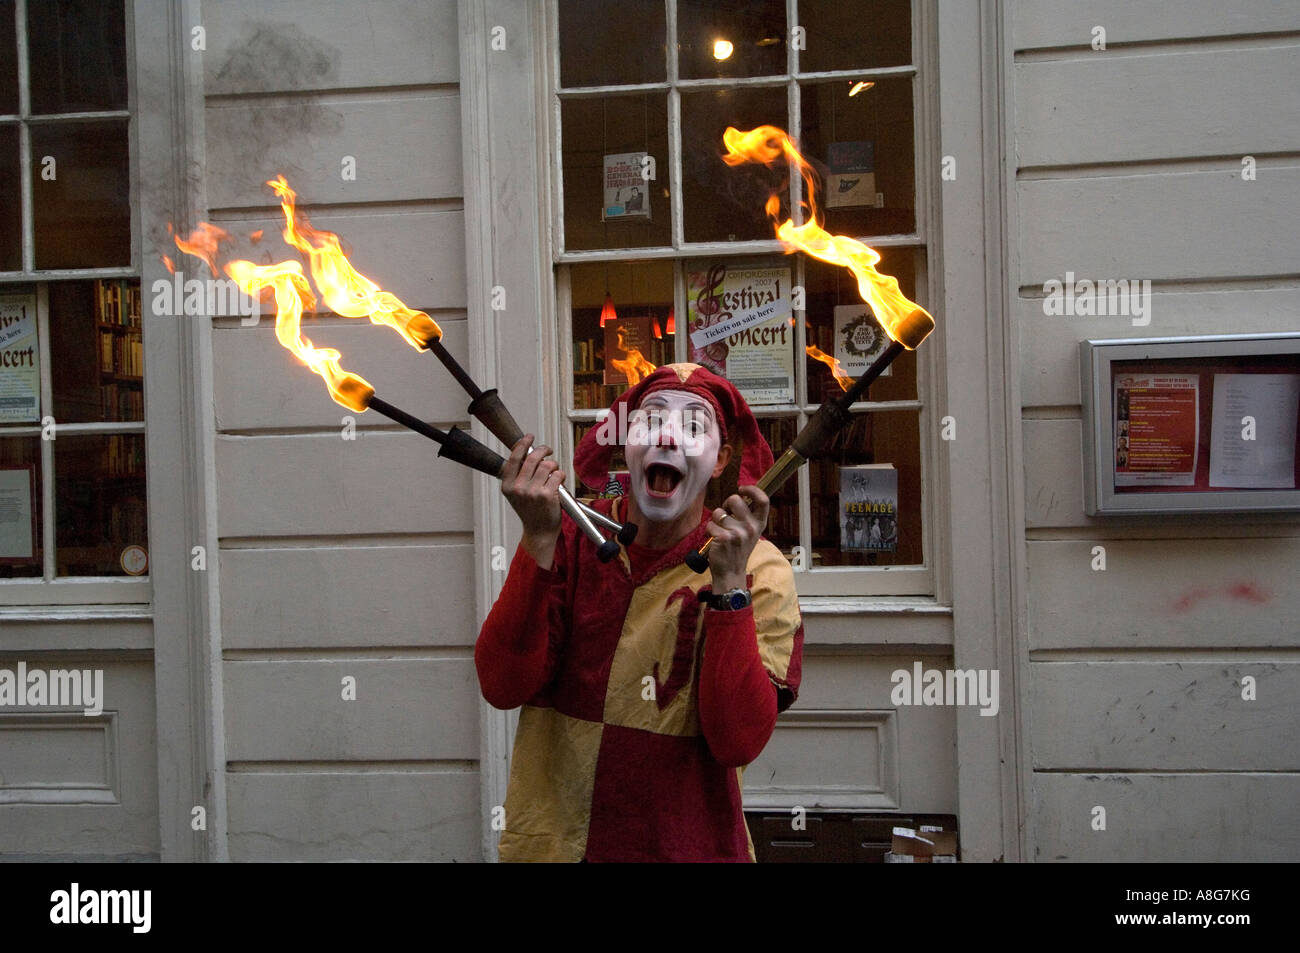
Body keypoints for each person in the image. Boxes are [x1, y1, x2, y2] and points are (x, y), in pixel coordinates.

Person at [475, 363, 804, 862]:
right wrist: (538, 537)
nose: (668, 437)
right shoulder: (572, 536)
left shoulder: (760, 567)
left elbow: (737, 739)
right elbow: (502, 685)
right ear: (626, 442)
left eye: (694, 427)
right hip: (556, 847)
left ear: (721, 461)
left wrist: (730, 584)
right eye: (650, 421)